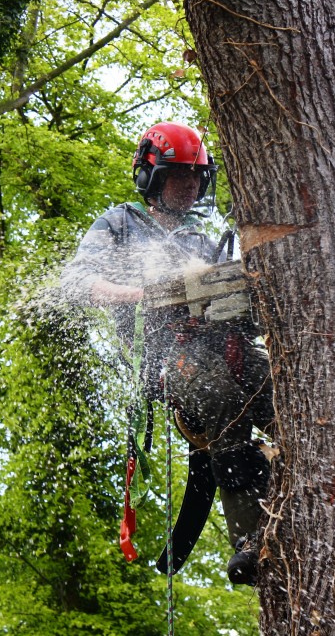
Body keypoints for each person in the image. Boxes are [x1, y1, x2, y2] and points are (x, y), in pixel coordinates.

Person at [61, 122, 273, 585]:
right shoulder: (120, 224)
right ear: (151, 176)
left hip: (224, 344)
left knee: (283, 393)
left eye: (198, 177)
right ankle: (252, 538)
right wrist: (138, 293)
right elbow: (76, 283)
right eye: (181, 175)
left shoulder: (202, 239)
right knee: (221, 400)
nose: (192, 186)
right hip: (166, 357)